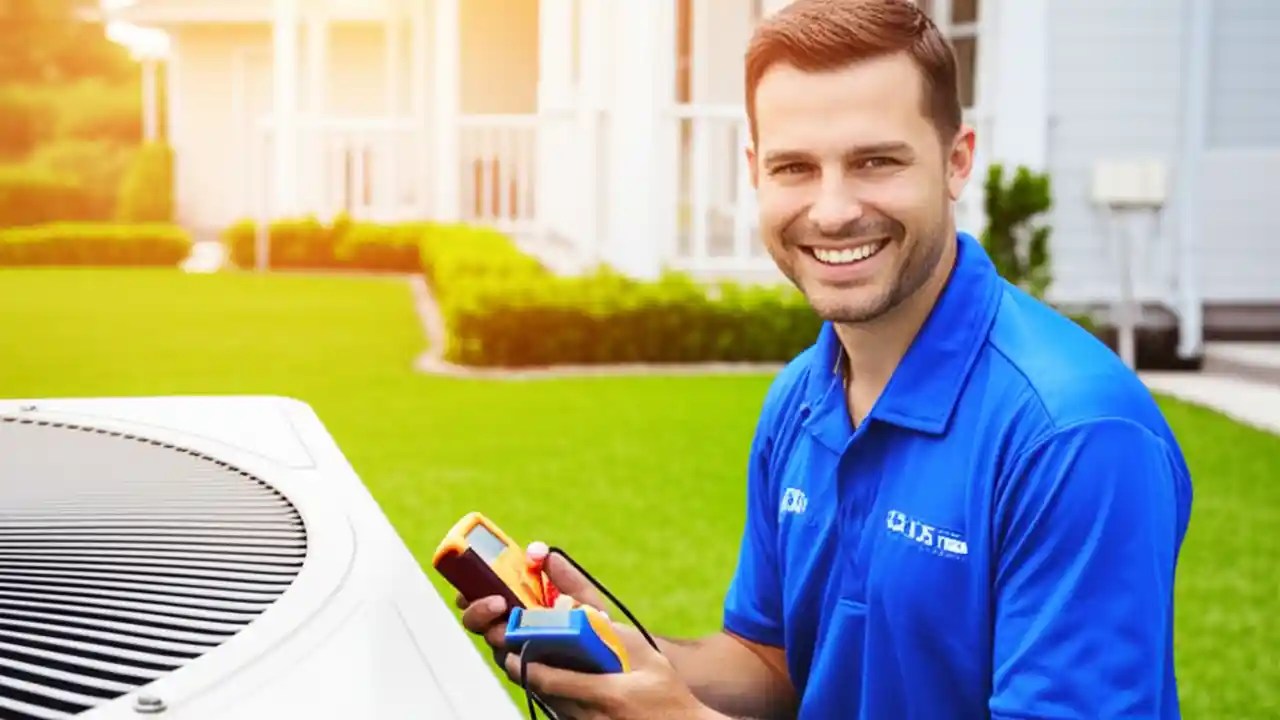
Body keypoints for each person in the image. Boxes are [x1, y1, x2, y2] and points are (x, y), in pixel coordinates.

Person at [457, 0, 1194, 717]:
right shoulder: (801, 398)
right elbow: (772, 664)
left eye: (875, 161)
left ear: (956, 162)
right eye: (795, 168)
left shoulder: (1075, 436)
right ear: (754, 170)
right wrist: (626, 654)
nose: (834, 209)